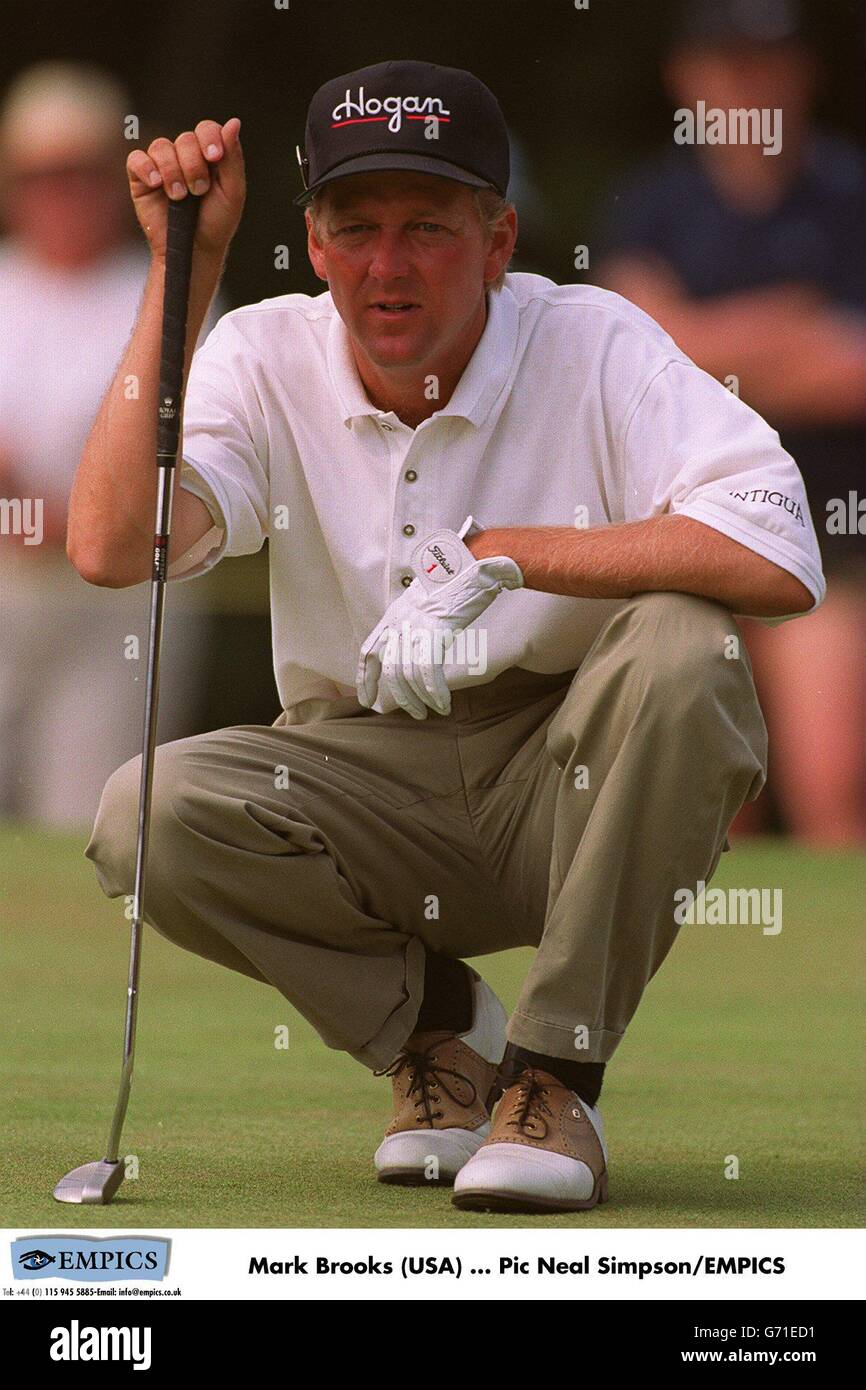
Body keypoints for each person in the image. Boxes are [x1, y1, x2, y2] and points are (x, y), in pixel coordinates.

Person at [70, 60, 824, 1213]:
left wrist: (509, 553)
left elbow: (776, 551)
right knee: (146, 809)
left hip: (570, 775)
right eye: (354, 226)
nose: (387, 263)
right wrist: (186, 271)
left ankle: (553, 1077)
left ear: (496, 238)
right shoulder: (263, 349)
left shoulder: (596, 341)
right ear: (313, 244)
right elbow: (113, 545)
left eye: (427, 225)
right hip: (362, 782)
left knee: (687, 644)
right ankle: (436, 1028)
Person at [597, 0, 866, 845]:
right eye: (728, 62)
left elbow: (853, 379)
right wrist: (793, 326)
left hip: (830, 531)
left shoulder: (851, 195)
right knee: (706, 805)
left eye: (767, 61)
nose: (749, 83)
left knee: (830, 787)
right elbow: (626, 366)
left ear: (804, 73)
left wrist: (700, 343)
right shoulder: (648, 204)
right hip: (692, 529)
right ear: (688, 77)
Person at [0, 62, 223, 827]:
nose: (60, 194)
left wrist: (81, 521)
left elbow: (207, 457)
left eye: (80, 173)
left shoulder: (170, 288)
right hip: (6, 591)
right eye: (41, 174)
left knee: (90, 818)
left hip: (119, 604)